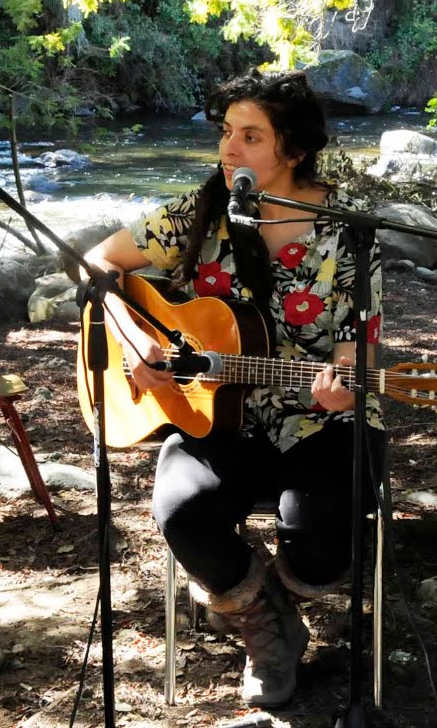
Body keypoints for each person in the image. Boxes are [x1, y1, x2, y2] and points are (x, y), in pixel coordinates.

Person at [84, 69, 384, 708]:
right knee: (184, 511)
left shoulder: (346, 234)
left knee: (321, 529)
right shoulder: (200, 214)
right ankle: (265, 627)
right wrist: (137, 341)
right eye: (226, 133)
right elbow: (98, 262)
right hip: (218, 416)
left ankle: (282, 593)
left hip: (318, 413)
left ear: (293, 149)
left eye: (250, 136)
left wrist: (345, 386)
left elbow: (358, 344)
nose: (228, 150)